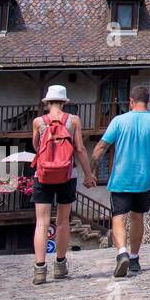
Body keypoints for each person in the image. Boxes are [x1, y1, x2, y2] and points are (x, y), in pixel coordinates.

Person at [89, 85, 150, 278]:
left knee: (119, 218)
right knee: (137, 218)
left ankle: (121, 253)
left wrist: (91, 172)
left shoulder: (118, 121)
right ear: (147, 102)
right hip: (143, 181)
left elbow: (101, 147)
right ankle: (134, 259)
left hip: (121, 179)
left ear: (131, 101)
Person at [30, 85, 97, 285]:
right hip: (67, 174)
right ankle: (60, 265)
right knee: (62, 221)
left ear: (47, 102)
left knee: (42, 222)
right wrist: (89, 174)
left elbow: (35, 146)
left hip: (42, 174)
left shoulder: (38, 122)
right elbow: (80, 149)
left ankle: (40, 270)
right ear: (64, 102)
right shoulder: (73, 121)